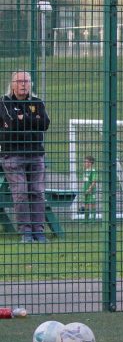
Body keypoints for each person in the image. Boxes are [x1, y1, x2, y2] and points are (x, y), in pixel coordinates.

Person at [1, 71, 52, 243]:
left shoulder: (37, 102)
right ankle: (26, 232)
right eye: (20, 81)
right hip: (12, 156)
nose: (24, 84)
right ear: (13, 84)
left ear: (31, 84)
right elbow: (11, 123)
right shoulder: (4, 102)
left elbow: (44, 124)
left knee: (37, 192)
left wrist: (24, 118)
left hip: (36, 154)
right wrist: (32, 119)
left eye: (27, 81)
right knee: (21, 192)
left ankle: (39, 231)